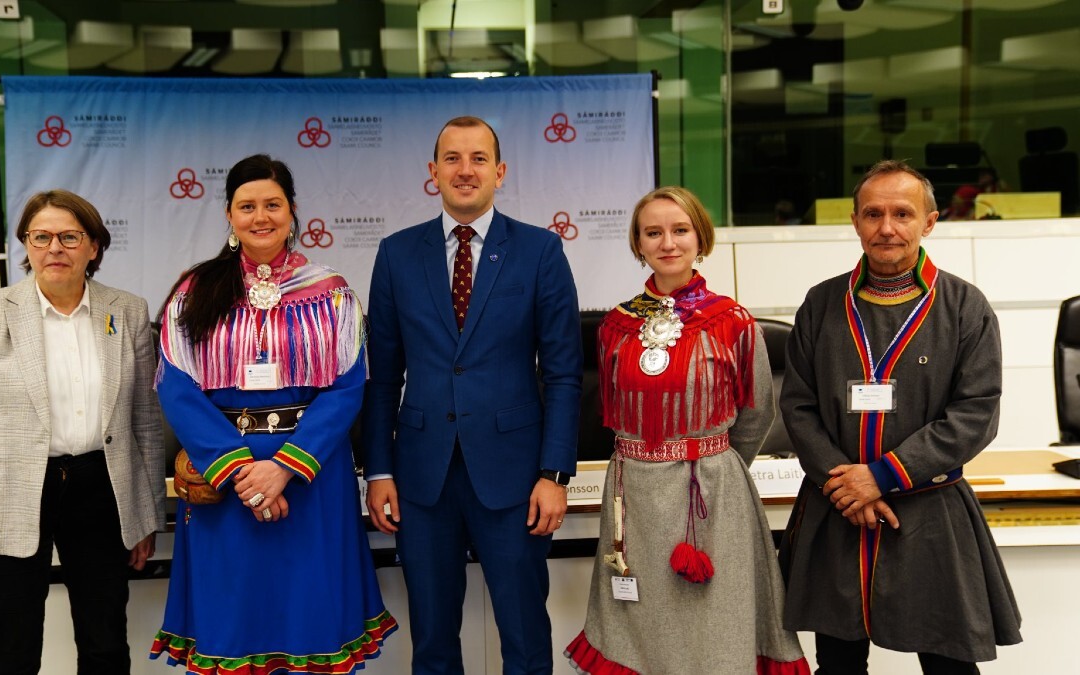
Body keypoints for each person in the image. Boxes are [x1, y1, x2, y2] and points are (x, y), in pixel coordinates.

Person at [149, 154, 395, 674]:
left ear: (292, 210)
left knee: (312, 617)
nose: (260, 217)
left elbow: (348, 388)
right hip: (227, 482)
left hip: (309, 476)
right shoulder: (194, 291)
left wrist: (283, 467)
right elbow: (177, 389)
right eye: (247, 206)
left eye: (272, 205)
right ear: (229, 216)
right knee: (233, 621)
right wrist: (243, 472)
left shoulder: (331, 292)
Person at [778, 160, 1022, 674]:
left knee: (948, 664)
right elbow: (798, 407)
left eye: (902, 214)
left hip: (929, 510)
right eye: (873, 213)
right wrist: (847, 486)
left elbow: (976, 413)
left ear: (929, 222)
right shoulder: (821, 305)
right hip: (837, 511)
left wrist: (881, 477)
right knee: (838, 664)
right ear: (855, 221)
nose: (886, 227)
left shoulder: (963, 307)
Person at [361, 115, 583, 674]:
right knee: (432, 640)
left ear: (500, 171)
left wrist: (555, 474)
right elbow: (383, 377)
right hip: (421, 479)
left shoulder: (539, 252)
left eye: (478, 158)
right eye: (453, 159)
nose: (466, 170)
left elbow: (562, 374)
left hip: (516, 478)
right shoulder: (395, 254)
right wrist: (379, 471)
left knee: (525, 635)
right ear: (432, 172)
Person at [564, 187, 809, 675]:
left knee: (714, 622)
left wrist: (709, 459)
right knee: (641, 620)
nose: (667, 242)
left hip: (711, 496)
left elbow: (757, 414)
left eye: (680, 230)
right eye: (653, 232)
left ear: (701, 238)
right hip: (634, 493)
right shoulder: (615, 327)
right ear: (638, 244)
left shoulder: (734, 323)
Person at [0, 189, 166, 674]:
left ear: (93, 246)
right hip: (6, 492)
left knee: (104, 645)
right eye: (41, 237)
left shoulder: (128, 311)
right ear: (27, 246)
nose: (55, 248)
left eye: (70, 237)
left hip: (100, 490)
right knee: (10, 652)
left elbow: (144, 420)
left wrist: (146, 515)